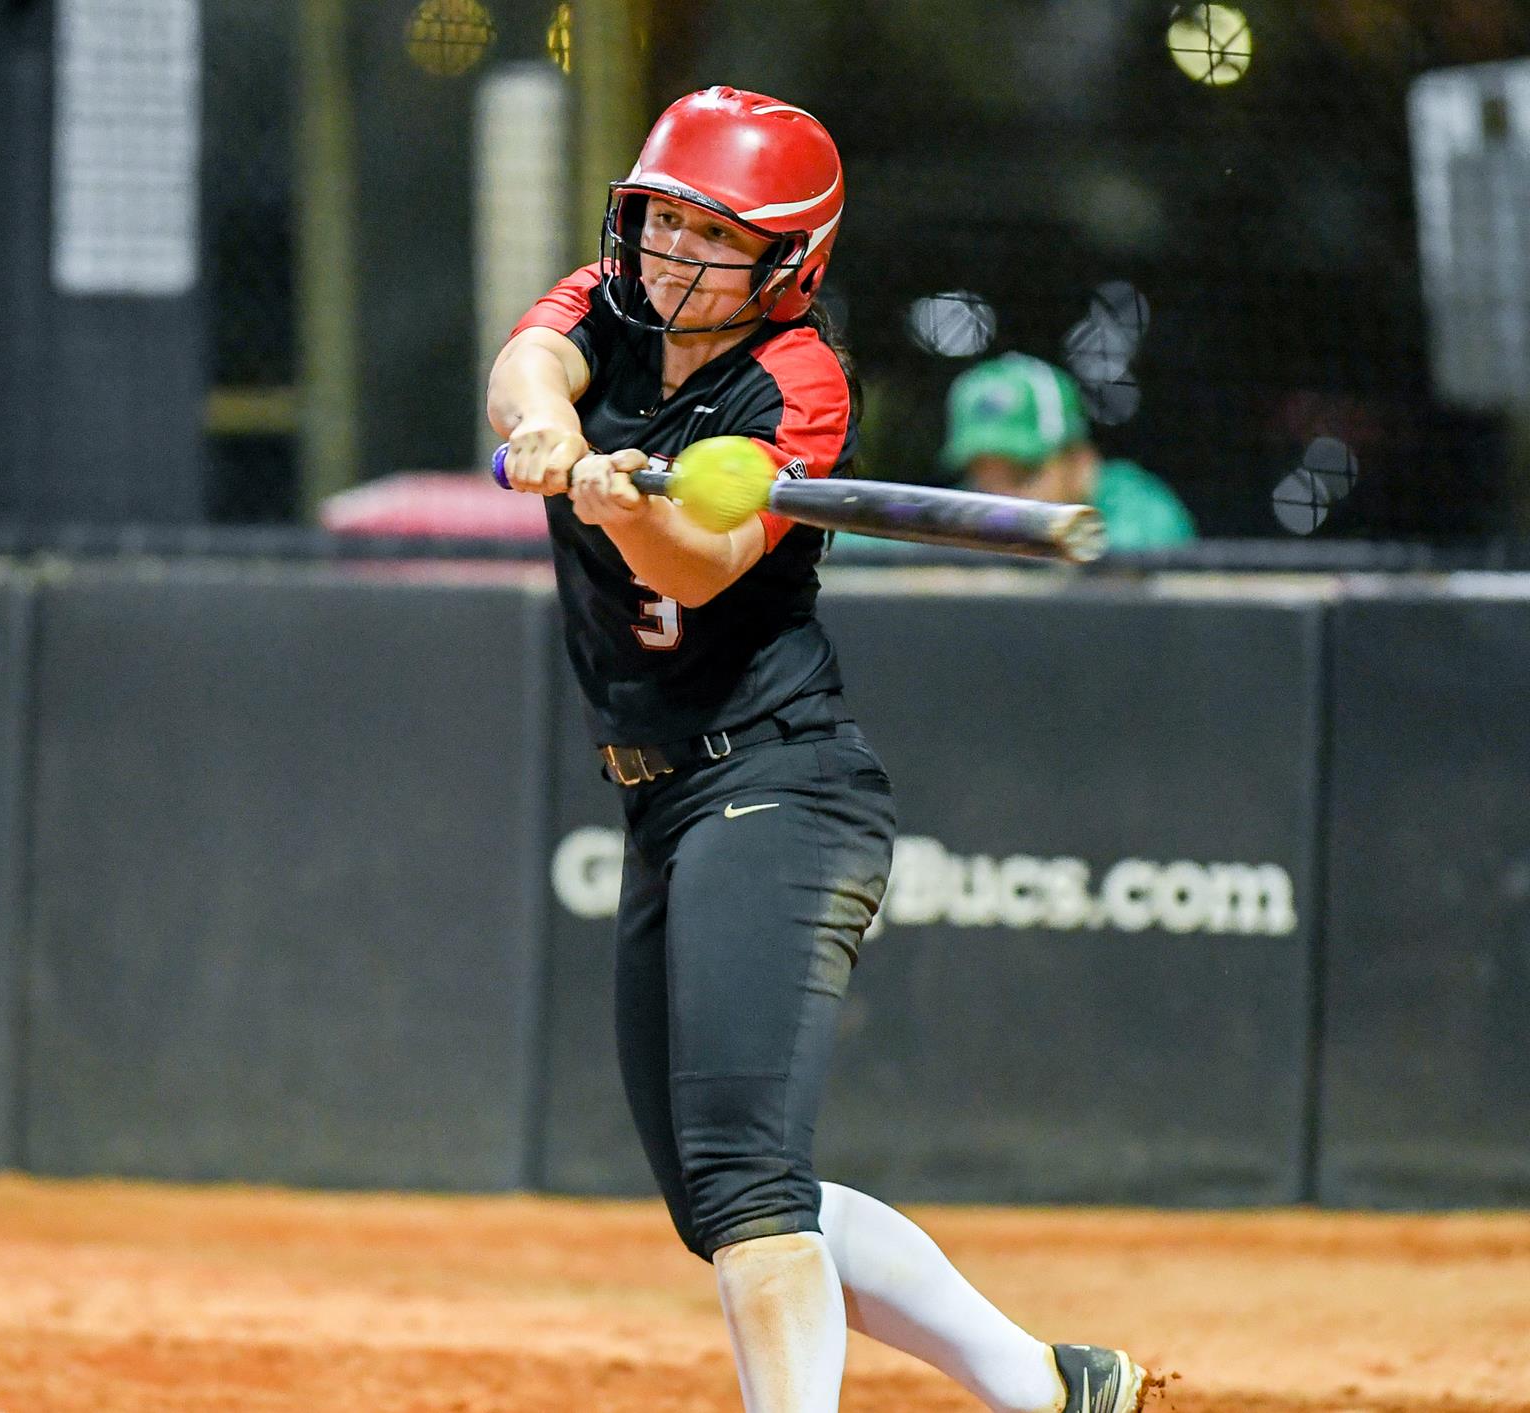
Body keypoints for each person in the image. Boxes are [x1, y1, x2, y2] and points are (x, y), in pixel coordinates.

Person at [484, 87, 1152, 1413]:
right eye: (657, 224)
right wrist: (554, 431)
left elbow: (709, 552)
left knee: (745, 1182)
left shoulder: (800, 381)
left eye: (709, 237)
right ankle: (1046, 1385)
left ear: (789, 262)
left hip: (777, 785)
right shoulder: (609, 309)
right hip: (663, 801)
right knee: (713, 1195)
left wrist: (628, 510)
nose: (668, 257)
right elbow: (529, 360)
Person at [945, 354, 1196, 551]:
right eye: (983, 479)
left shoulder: (1138, 507)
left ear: (1081, 463)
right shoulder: (966, 507)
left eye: (1023, 474)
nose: (1001, 502)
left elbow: (1140, 561)